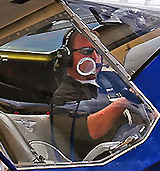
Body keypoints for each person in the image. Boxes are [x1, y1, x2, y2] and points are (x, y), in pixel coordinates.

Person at [49, 29, 132, 160]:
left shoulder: (111, 78)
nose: (95, 57)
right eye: (87, 51)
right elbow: (91, 132)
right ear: (67, 57)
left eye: (98, 51)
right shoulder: (62, 97)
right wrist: (124, 102)